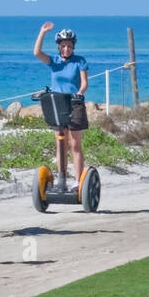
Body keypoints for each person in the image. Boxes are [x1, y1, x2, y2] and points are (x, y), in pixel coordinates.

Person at [33, 22, 89, 188]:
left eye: (69, 46)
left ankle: (79, 183)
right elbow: (37, 53)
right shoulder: (54, 61)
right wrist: (42, 32)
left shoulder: (80, 61)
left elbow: (84, 83)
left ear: (73, 47)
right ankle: (62, 180)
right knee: (60, 143)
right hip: (57, 104)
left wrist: (79, 93)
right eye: (63, 46)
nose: (66, 49)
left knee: (75, 145)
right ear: (59, 46)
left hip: (74, 103)